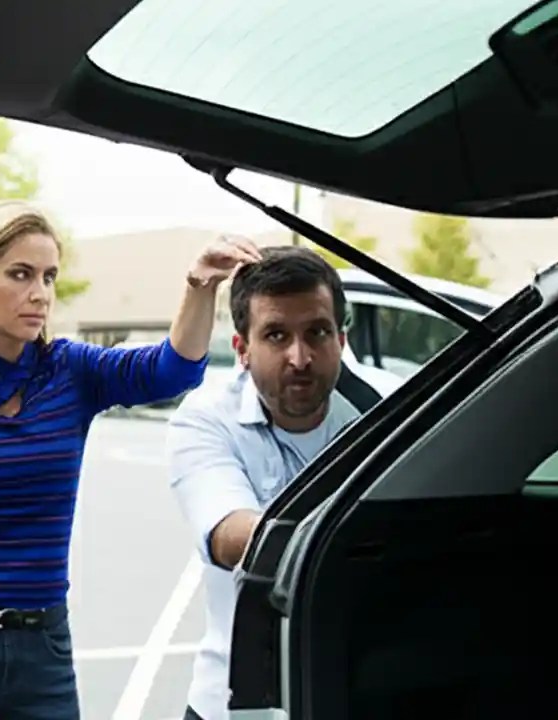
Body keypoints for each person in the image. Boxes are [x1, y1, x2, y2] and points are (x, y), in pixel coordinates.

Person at [0, 199, 259, 720]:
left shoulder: (70, 371)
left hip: (42, 651)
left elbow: (172, 371)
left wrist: (200, 285)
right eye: (20, 274)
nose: (40, 293)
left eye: (48, 277)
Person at [166, 246, 385, 720]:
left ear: (342, 339)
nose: (299, 357)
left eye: (317, 333)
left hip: (356, 694)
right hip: (232, 704)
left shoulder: (389, 416)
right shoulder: (204, 420)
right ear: (242, 349)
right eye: (276, 335)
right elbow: (232, 538)